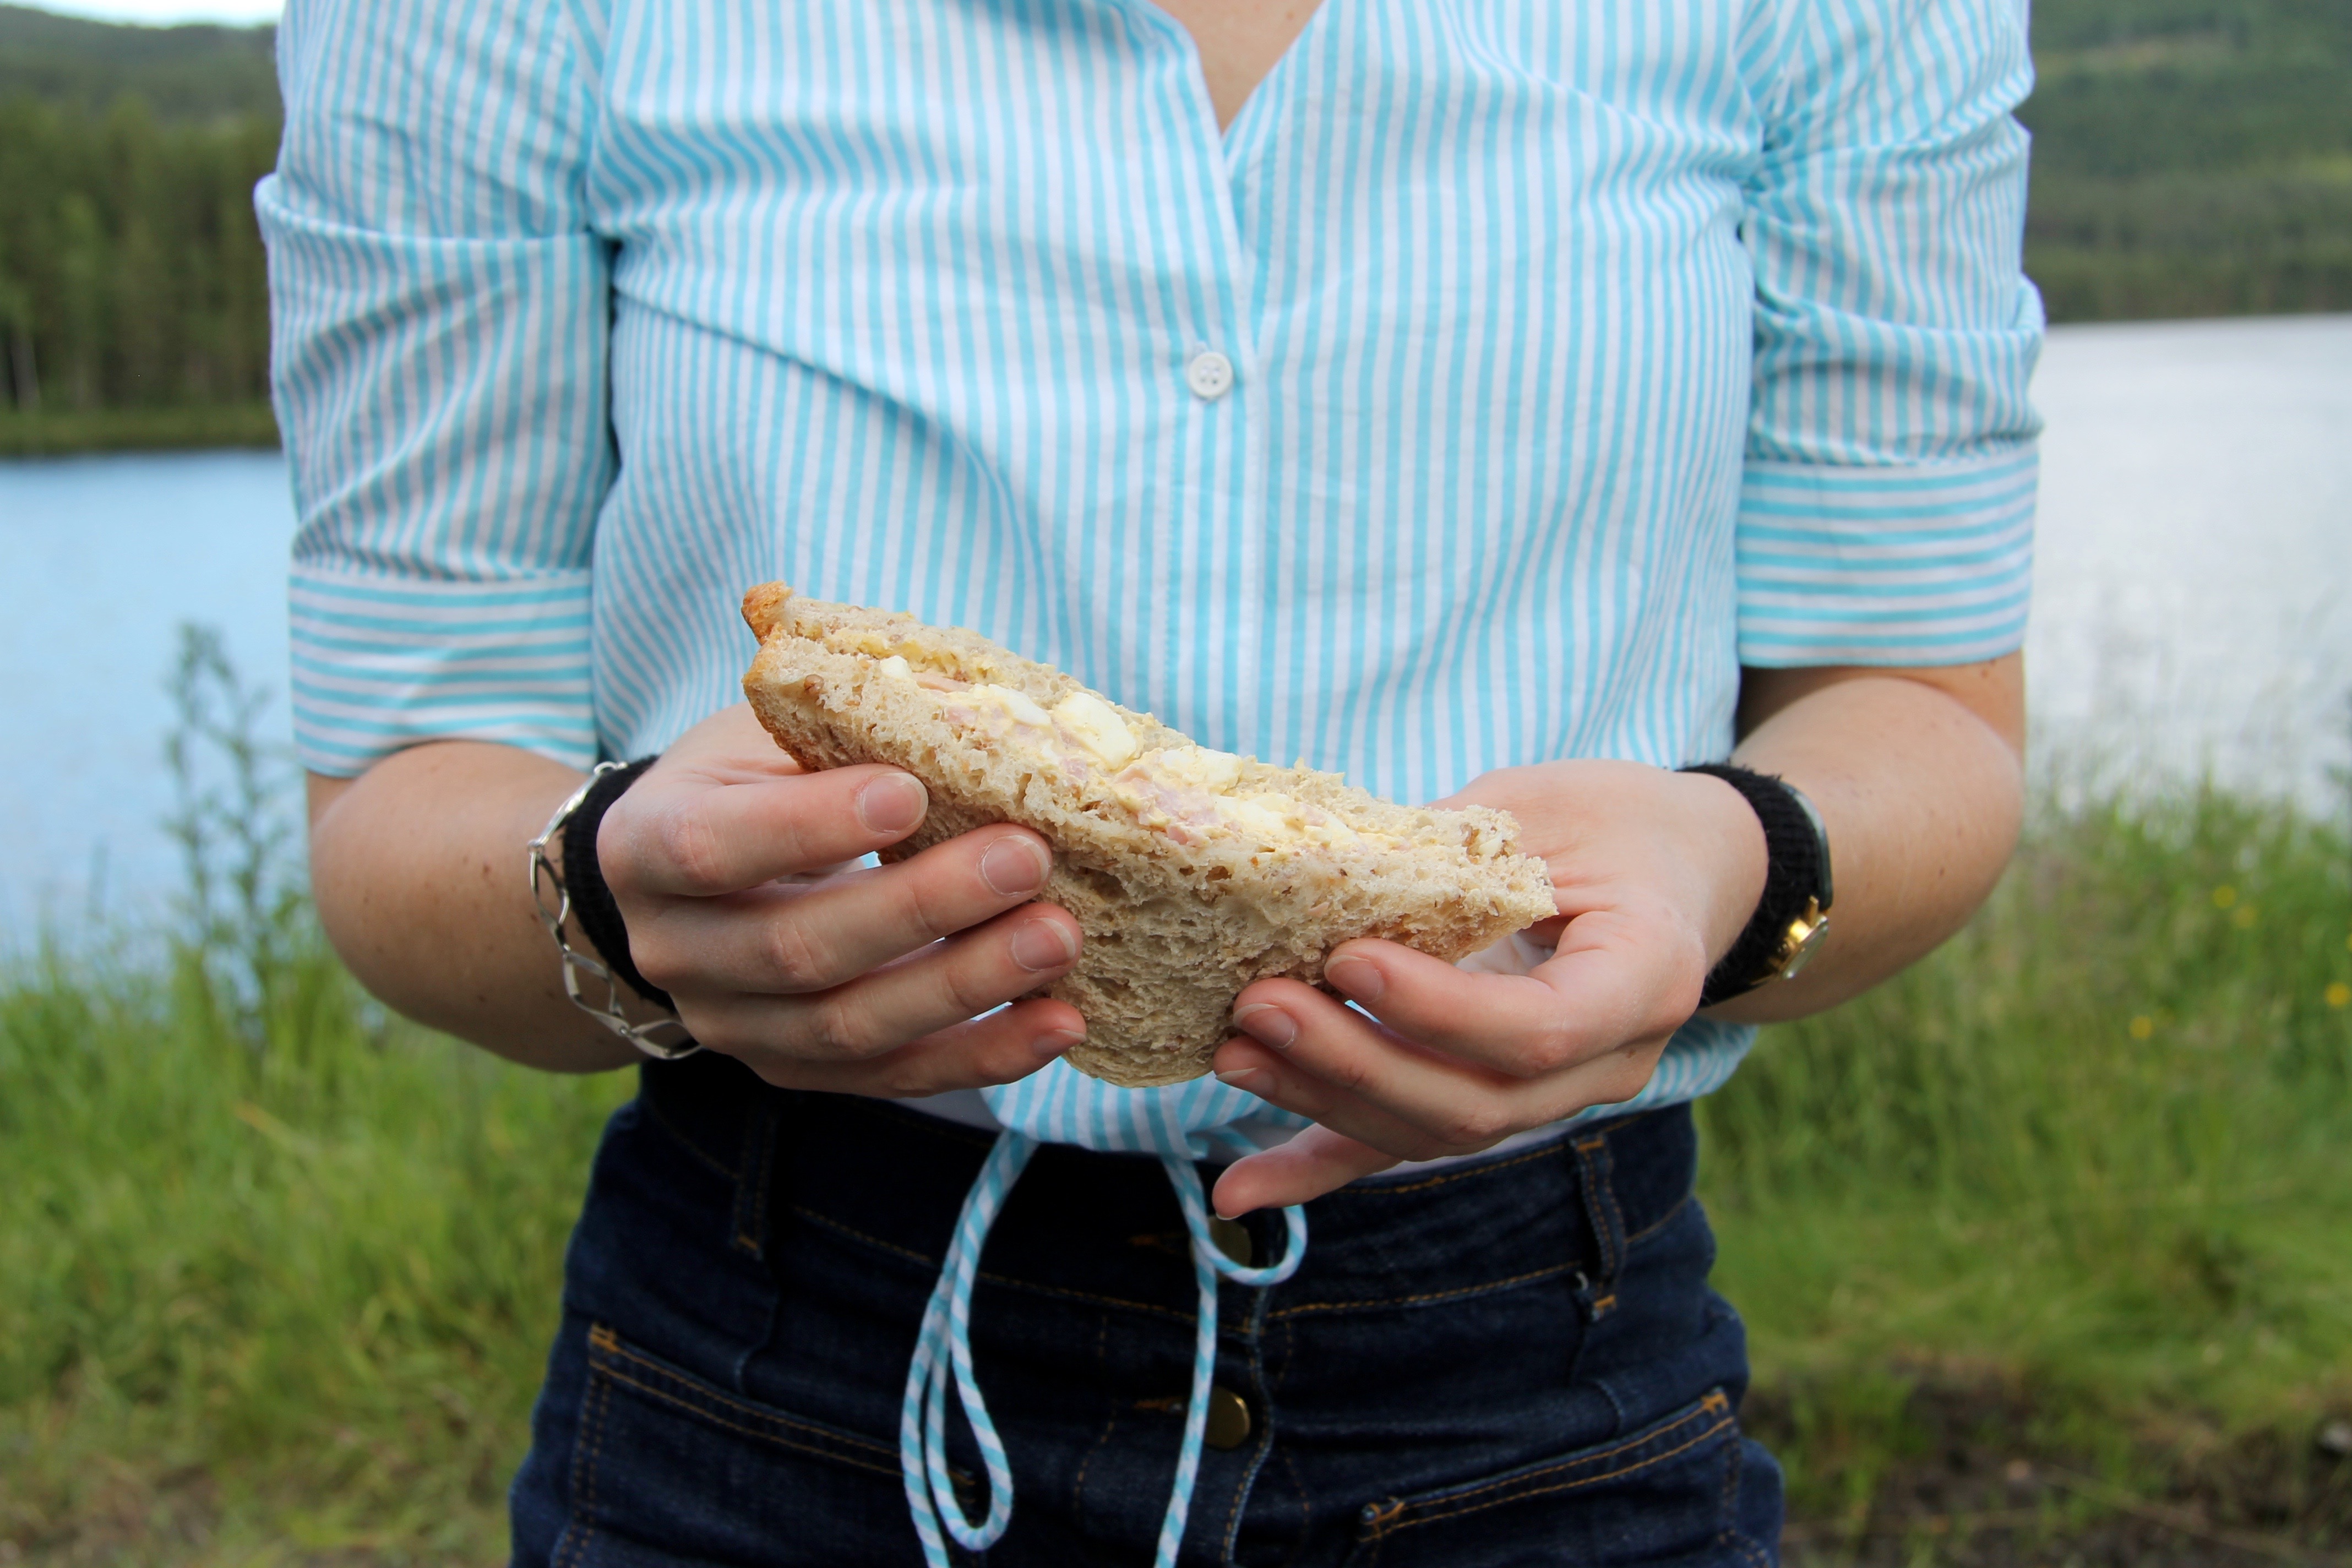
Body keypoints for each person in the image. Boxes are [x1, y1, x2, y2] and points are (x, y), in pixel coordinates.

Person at [258, 0, 2039, 1560]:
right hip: (773, 1368)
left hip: (1539, 1388)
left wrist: (1734, 859)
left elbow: (1920, 708)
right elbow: (411, 782)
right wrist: (607, 891)